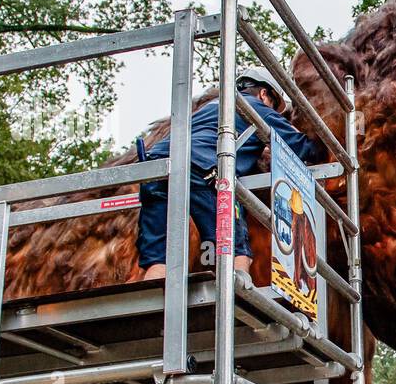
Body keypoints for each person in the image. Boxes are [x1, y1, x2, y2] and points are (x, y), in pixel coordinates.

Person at [136, 67, 324, 279]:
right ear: (263, 94)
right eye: (272, 104)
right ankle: (236, 309)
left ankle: (153, 310)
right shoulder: (254, 108)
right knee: (237, 251)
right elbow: (304, 148)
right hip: (202, 170)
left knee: (160, 259)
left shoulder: (210, 108)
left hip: (156, 169)